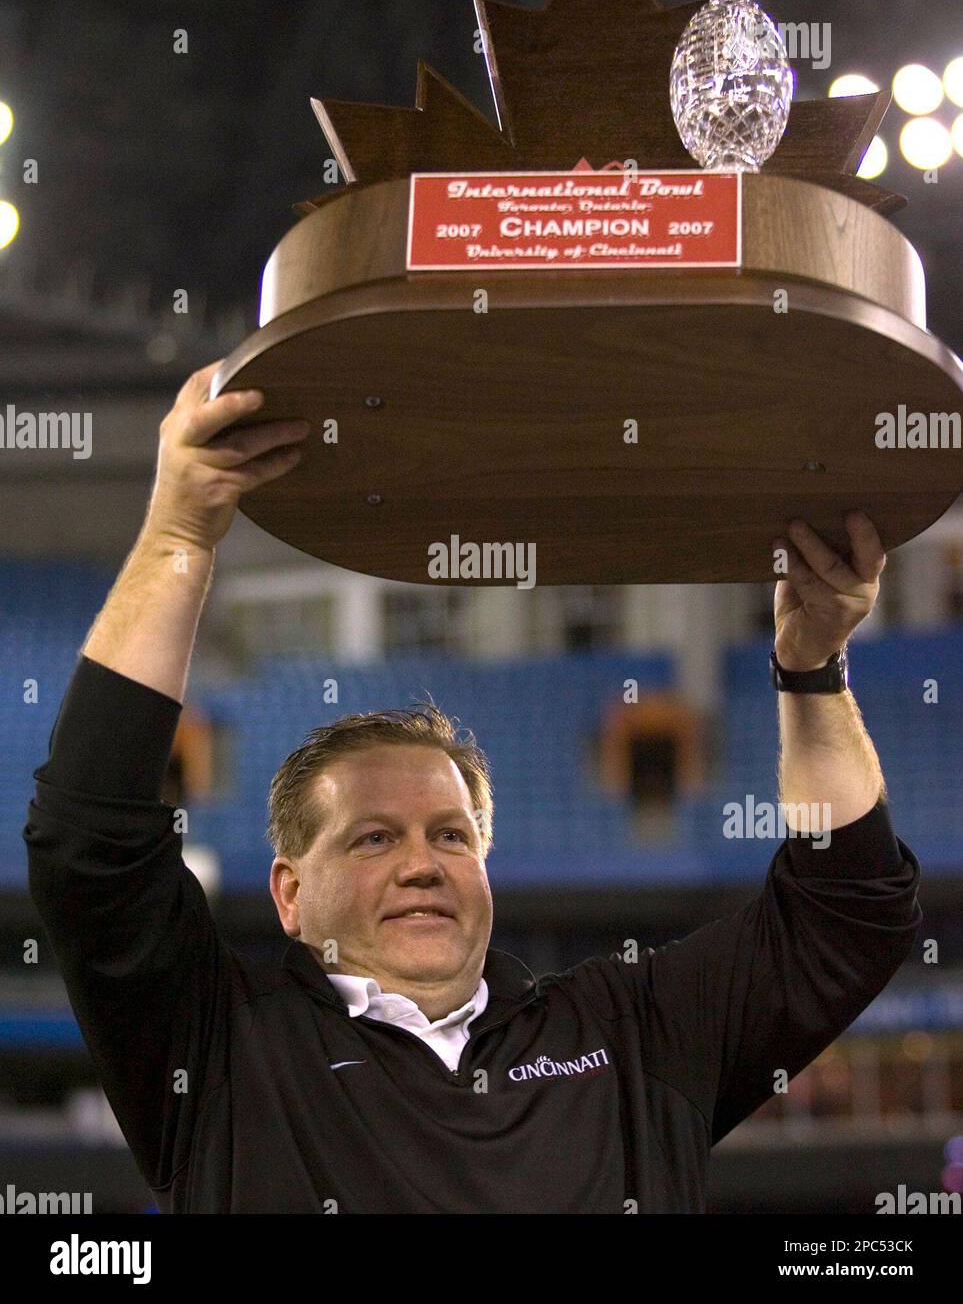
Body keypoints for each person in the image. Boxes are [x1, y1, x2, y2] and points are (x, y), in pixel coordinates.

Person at [24, 362, 921, 1213]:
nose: (423, 863)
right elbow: (86, 843)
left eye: (451, 836)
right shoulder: (216, 1045)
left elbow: (846, 914)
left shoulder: (630, 1033)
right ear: (289, 894)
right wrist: (179, 537)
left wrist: (810, 674)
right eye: (374, 837)